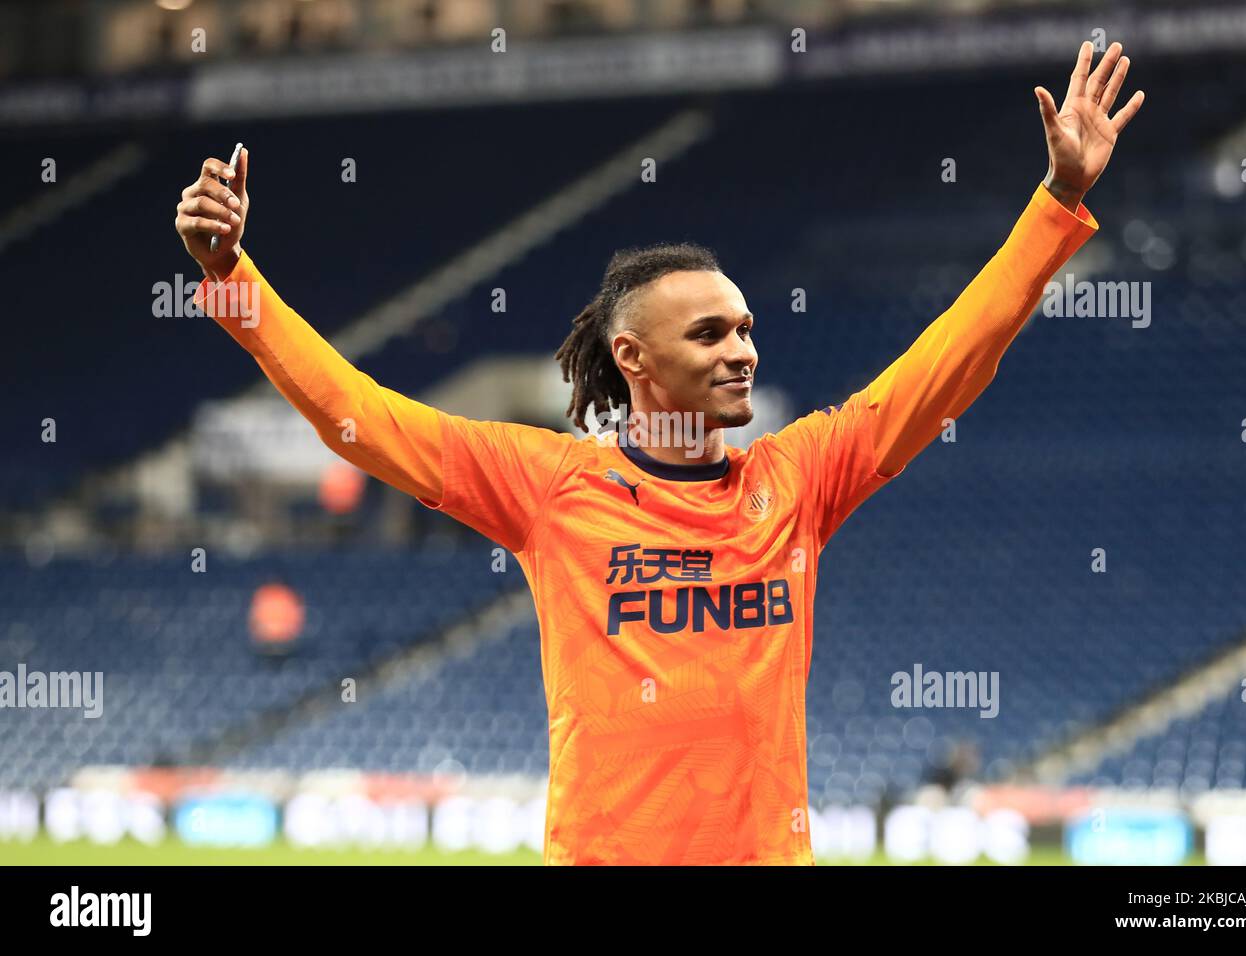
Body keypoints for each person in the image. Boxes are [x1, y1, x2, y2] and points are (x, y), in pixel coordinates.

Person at [174, 42, 1143, 864]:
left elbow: (947, 361)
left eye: (747, 328)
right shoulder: (551, 488)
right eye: (712, 333)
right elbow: (360, 413)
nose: (744, 351)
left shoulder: (797, 479)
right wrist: (232, 279)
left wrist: (1056, 203)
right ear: (633, 356)